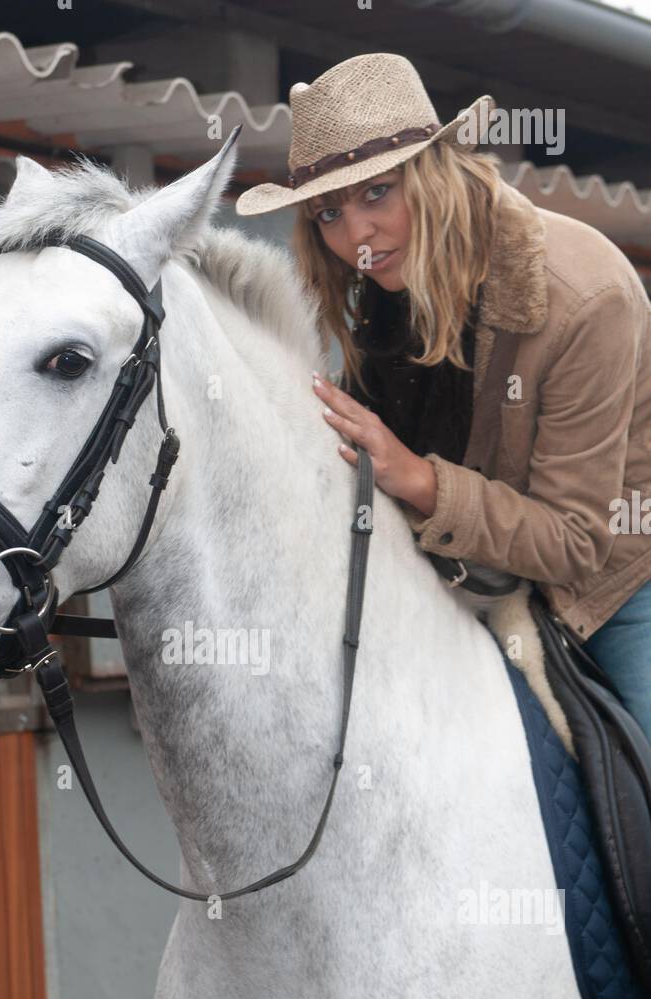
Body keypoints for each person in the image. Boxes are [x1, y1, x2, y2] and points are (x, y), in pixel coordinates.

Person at [236, 53, 651, 741]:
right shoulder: (378, 290)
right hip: (464, 572)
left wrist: (419, 479)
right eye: (329, 212)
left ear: (437, 173)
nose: (355, 235)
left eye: (378, 193)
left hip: (614, 584)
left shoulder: (584, 296)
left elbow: (576, 542)